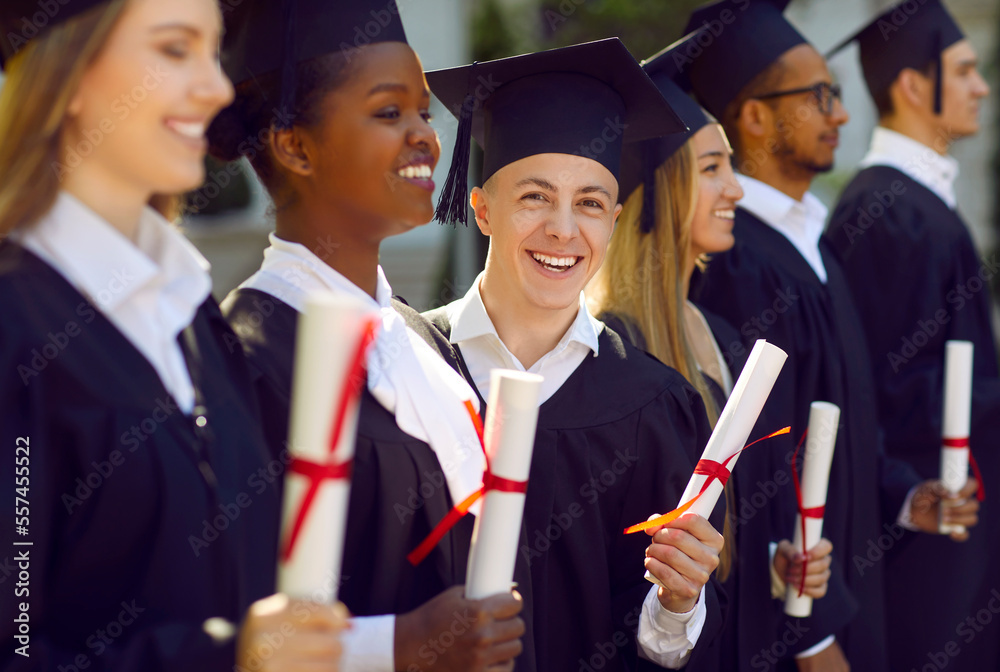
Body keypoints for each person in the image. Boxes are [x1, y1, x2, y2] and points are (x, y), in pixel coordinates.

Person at [0, 1, 348, 670]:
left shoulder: (192, 317)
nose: (217, 88)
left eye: (213, 51)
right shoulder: (17, 327)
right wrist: (225, 659)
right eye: (173, 48)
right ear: (68, 77)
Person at [209, 1, 526, 670]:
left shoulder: (418, 340)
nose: (427, 137)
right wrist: (400, 647)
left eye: (423, 112)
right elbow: (237, 622)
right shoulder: (248, 356)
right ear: (294, 146)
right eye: (390, 113)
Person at [679, 0, 977, 669]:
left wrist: (904, 495)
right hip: (794, 616)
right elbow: (761, 462)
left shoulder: (810, 241)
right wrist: (811, 637)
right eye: (820, 97)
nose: (841, 114)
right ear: (754, 117)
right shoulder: (737, 264)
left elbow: (846, 418)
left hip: (847, 588)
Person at [424, 37, 726, 671]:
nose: (564, 229)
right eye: (535, 196)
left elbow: (670, 644)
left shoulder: (653, 406)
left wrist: (676, 606)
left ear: (614, 220)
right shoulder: (410, 368)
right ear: (482, 209)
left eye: (590, 203)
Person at [587, 36, 835, 671]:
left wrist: (777, 562)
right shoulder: (610, 355)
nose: (737, 189)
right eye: (711, 168)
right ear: (658, 184)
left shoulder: (724, 335)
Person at [825, 2, 997, 669]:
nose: (981, 86)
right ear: (912, 86)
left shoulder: (917, 204)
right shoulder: (887, 212)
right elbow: (885, 388)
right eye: (963, 71)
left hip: (955, 513)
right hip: (926, 520)